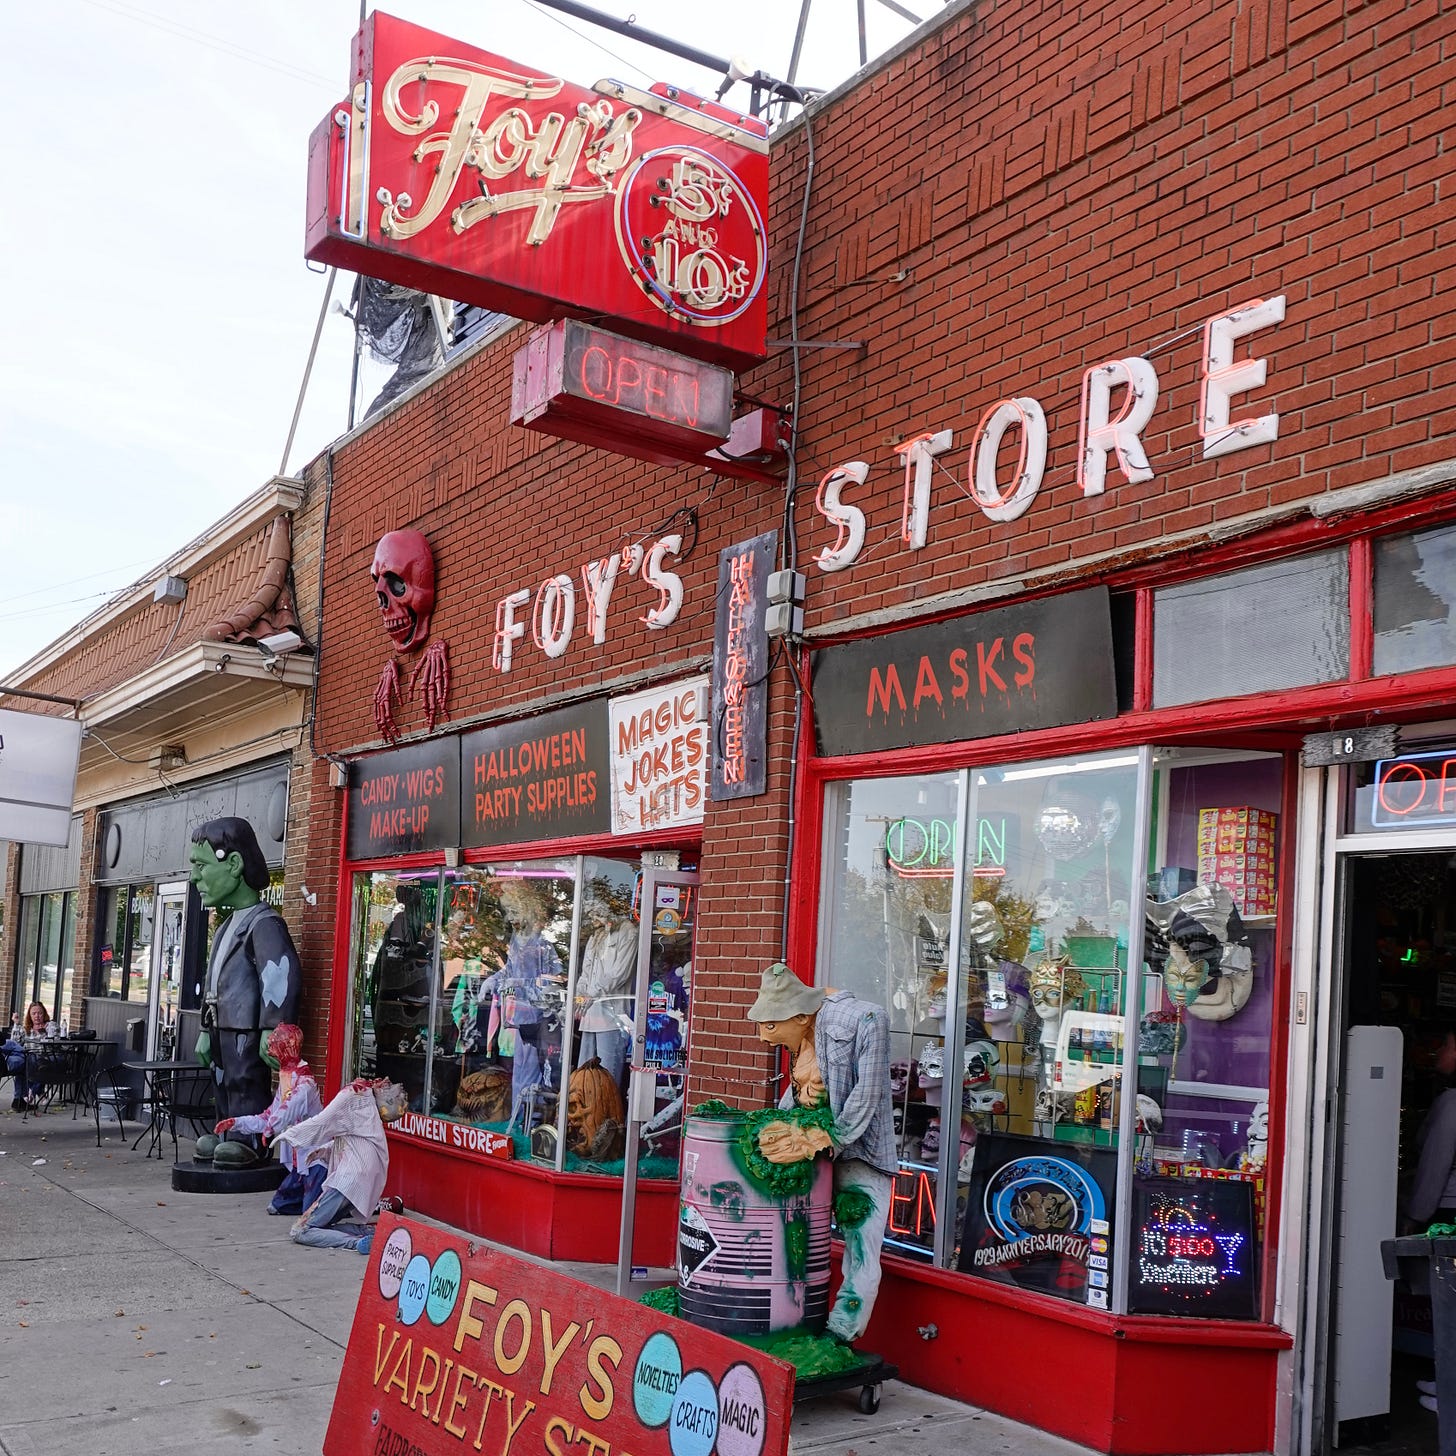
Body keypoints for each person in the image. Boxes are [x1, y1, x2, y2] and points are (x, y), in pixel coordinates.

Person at [746, 961, 896, 1345]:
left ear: (798, 1016)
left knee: (861, 1248)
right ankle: (790, 1319)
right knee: (794, 1234)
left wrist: (832, 1138)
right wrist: (775, 1126)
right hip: (814, 1160)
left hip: (859, 1156)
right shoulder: (804, 1035)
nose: (764, 1037)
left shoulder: (859, 1020)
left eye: (770, 1025)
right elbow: (801, 1095)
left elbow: (867, 1093)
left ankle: (842, 1334)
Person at [188, 817, 303, 1167]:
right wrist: (206, 1029)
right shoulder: (226, 927)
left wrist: (273, 1026)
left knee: (244, 1081)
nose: (194, 877)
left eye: (201, 866)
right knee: (222, 1081)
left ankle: (249, 1139)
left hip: (246, 1030)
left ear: (234, 863)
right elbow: (213, 982)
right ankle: (225, 1132)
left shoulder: (265, 924)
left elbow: (279, 976)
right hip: (222, 1025)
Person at [274, 1079, 408, 1254]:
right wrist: (323, 1150)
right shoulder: (369, 1115)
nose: (385, 1080)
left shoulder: (357, 1096)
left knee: (301, 1230)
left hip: (347, 1182)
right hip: (357, 1182)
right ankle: (368, 1232)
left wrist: (289, 1135)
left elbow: (321, 1121)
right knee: (323, 1225)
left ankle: (356, 1243)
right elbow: (349, 1142)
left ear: (386, 1098)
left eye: (389, 1086)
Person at [209, 1023, 323, 1215]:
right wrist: (237, 1122)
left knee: (311, 1214)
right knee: (278, 1206)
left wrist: (270, 1128)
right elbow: (270, 1115)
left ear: (288, 1046)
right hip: (300, 1161)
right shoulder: (288, 1077)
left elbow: (287, 1110)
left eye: (275, 1044)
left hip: (316, 1158)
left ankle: (328, 1202)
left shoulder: (305, 1083)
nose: (270, 1049)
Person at [1402, 1025, 1456, 1415]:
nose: (1439, 1051)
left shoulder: (1452, 1103)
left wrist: (1414, 1215)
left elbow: (1434, 1166)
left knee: (1450, 1304)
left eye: (1447, 1045)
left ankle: (1450, 1395)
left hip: (1450, 1214)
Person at [574, 889, 637, 1086]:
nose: (592, 918)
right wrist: (579, 996)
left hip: (612, 1016)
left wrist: (591, 994)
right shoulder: (596, 936)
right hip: (589, 1015)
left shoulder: (627, 931)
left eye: (595, 913)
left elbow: (619, 973)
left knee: (608, 1078)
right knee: (584, 1076)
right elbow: (586, 972)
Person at [4, 1002, 55, 1110]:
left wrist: (46, 1031)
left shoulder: (50, 1026)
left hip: (43, 1058)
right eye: (34, 1013)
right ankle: (35, 1093)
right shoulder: (26, 1029)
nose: (37, 1016)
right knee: (17, 1050)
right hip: (28, 1056)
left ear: (44, 1014)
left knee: (28, 1062)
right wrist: (16, 1024)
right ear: (29, 1016)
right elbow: (15, 1043)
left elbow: (56, 1043)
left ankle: (23, 1097)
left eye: (40, 1013)